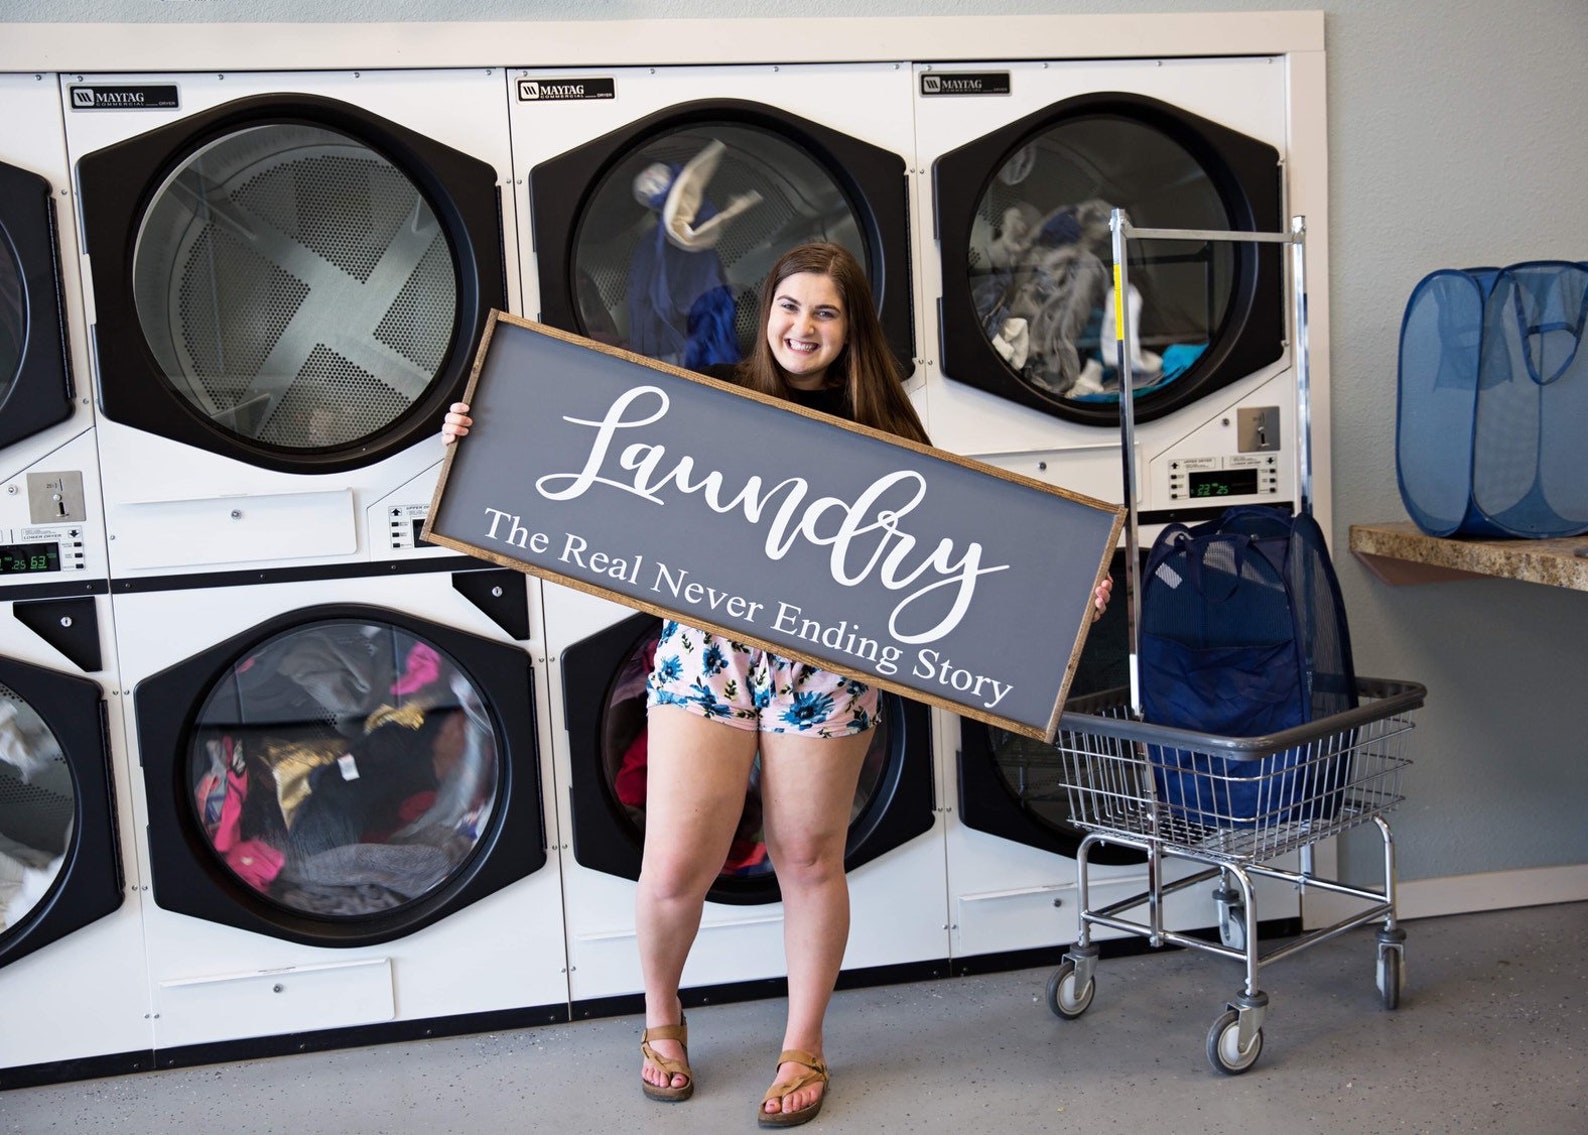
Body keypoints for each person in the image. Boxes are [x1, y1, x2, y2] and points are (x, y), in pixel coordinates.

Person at [442, 241, 1111, 1127]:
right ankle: (661, 1020)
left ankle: (804, 1046)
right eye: (790, 306)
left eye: (826, 312)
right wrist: (476, 429)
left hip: (826, 671)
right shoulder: (712, 397)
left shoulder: (888, 429)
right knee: (678, 861)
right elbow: (574, 458)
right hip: (707, 654)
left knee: (806, 857)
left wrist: (1072, 596)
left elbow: (972, 557)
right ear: (768, 315)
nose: (804, 326)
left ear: (852, 328)